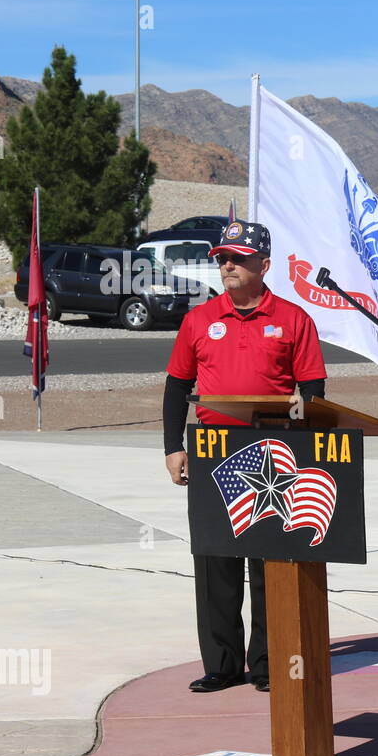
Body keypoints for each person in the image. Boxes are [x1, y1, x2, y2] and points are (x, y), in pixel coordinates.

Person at [162, 219, 327, 693]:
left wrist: (304, 445)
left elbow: (312, 391)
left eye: (237, 258)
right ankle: (222, 663)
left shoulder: (294, 319)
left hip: (272, 452)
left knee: (268, 563)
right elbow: (177, 386)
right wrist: (175, 446)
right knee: (216, 560)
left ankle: (269, 663)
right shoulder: (199, 319)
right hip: (212, 450)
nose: (227, 266)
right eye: (222, 259)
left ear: (264, 265)